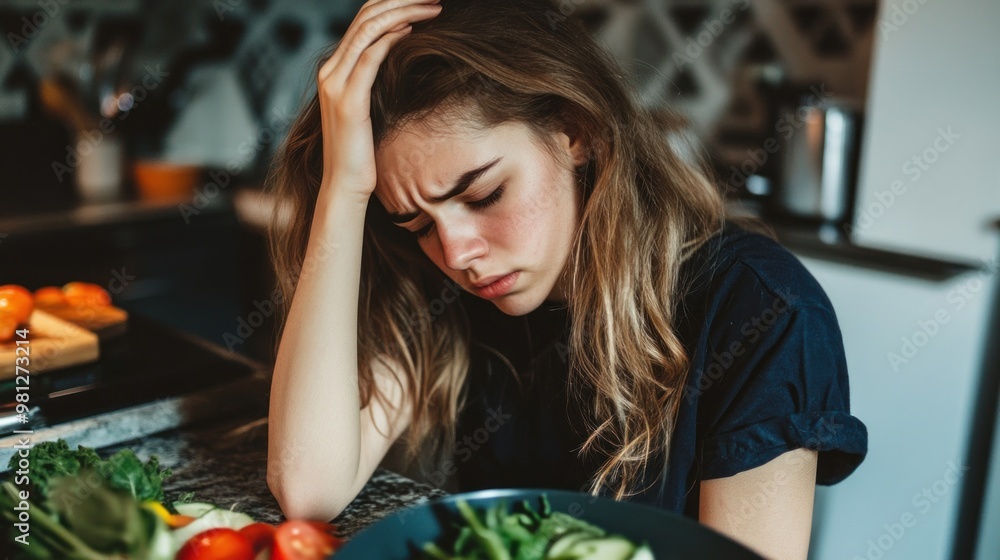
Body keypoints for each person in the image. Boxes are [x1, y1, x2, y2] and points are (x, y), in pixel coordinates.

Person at [264, 0, 868, 557]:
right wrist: (341, 190)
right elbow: (308, 489)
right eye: (417, 223)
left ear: (575, 132)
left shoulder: (765, 310)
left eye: (485, 194)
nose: (457, 253)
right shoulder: (443, 288)